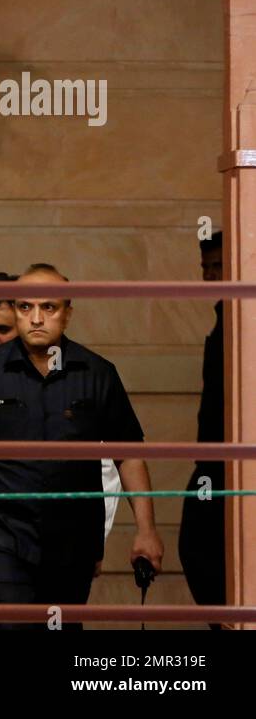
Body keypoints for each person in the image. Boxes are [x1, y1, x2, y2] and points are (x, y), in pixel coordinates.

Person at [0, 263, 165, 629]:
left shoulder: (98, 374)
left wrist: (146, 530)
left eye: (48, 308)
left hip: (71, 544)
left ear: (67, 313)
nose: (36, 318)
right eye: (24, 308)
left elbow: (127, 453)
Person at [180, 232, 226, 626]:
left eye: (219, 267)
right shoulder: (225, 318)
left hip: (229, 462)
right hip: (212, 460)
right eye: (206, 269)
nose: (211, 277)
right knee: (197, 550)